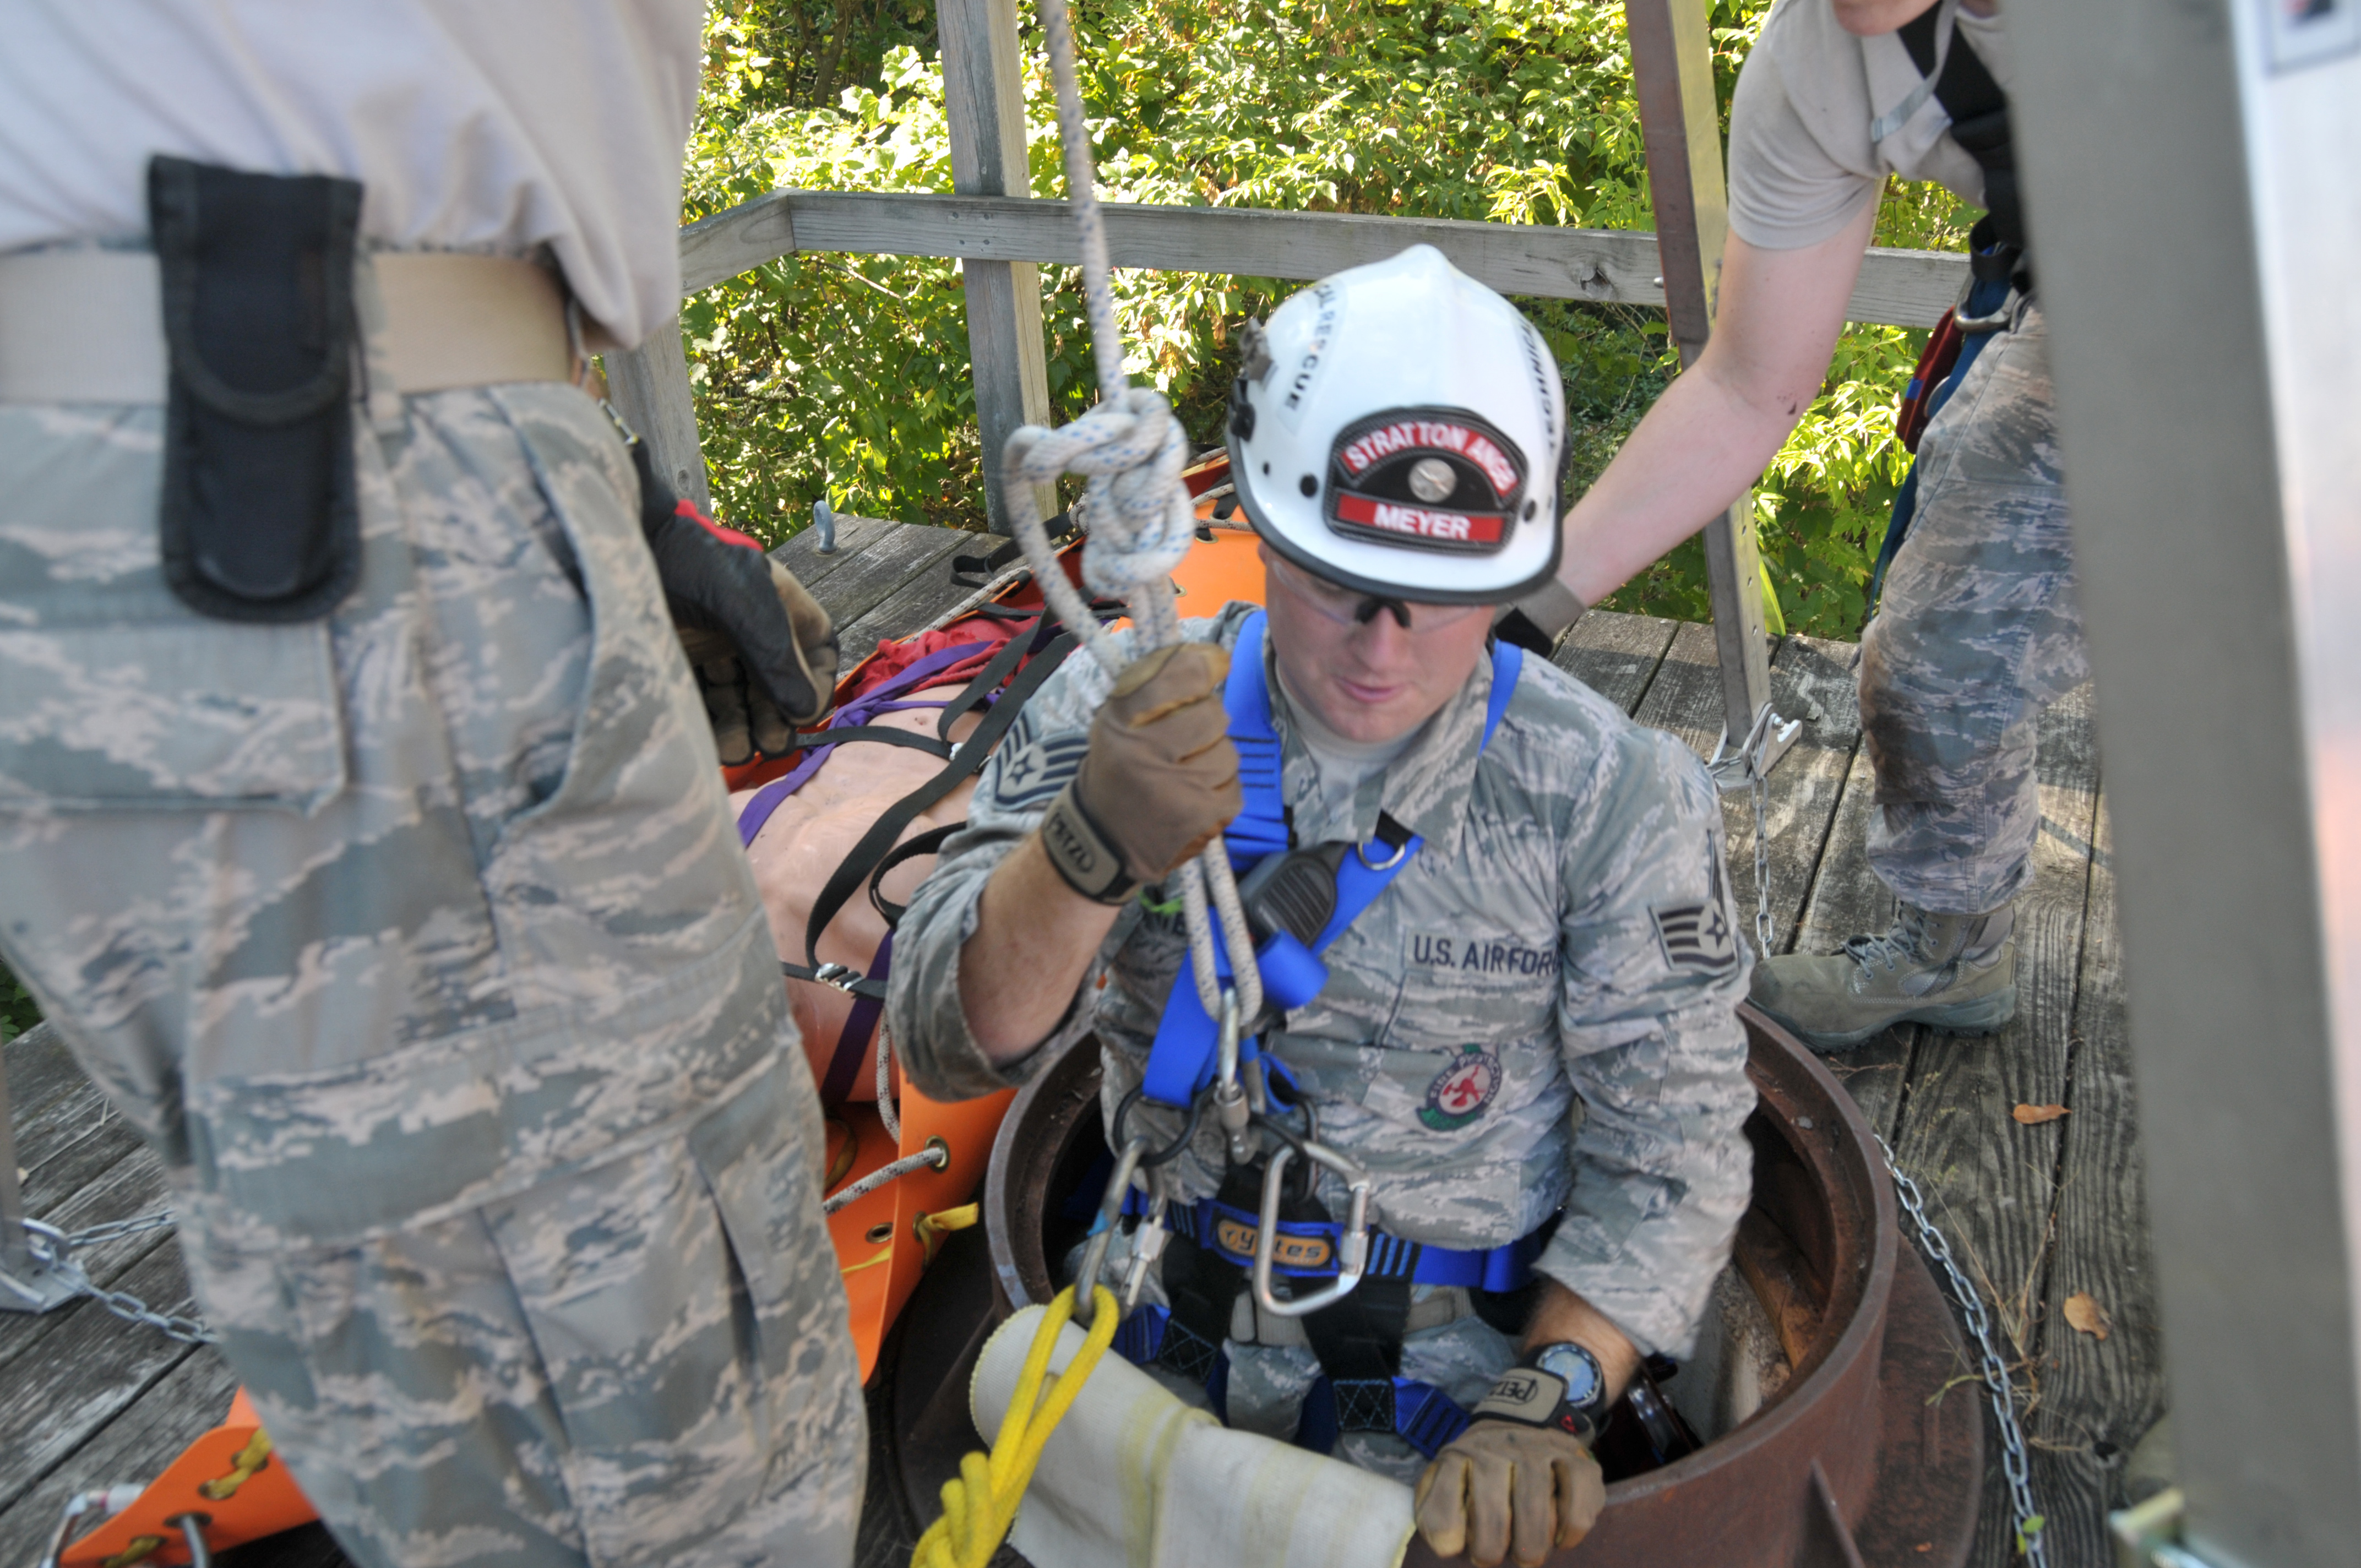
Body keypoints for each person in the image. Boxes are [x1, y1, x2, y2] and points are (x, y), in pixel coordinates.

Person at [0, 6, 862, 1566]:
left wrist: (596, 489)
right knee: (680, 1489)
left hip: (231, 467)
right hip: (350, 494)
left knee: (443, 1382)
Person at [886, 245, 1757, 1568]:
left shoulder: (1603, 793)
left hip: (1452, 1399)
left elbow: (1673, 1148)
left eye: (1442, 602)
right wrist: (1082, 850)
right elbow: (949, 1042)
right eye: (1335, 584)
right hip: (1141, 1343)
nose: (1380, 646)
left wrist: (1556, 1388)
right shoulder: (1122, 712)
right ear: (1257, 529)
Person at [1499, 0, 2048, 1054]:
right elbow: (1749, 387)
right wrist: (1517, 613)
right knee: (1935, 658)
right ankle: (1958, 947)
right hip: (2092, 326)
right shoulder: (1824, 66)